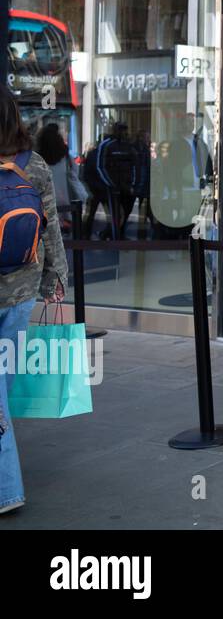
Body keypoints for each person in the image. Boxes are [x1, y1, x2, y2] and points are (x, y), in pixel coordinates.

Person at [0, 89, 68, 514]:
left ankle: (7, 490)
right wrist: (55, 280)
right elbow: (51, 229)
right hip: (21, 294)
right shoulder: (34, 165)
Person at [36, 123, 87, 233]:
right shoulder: (66, 157)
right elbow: (75, 173)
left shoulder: (36, 158)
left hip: (44, 202)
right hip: (65, 202)